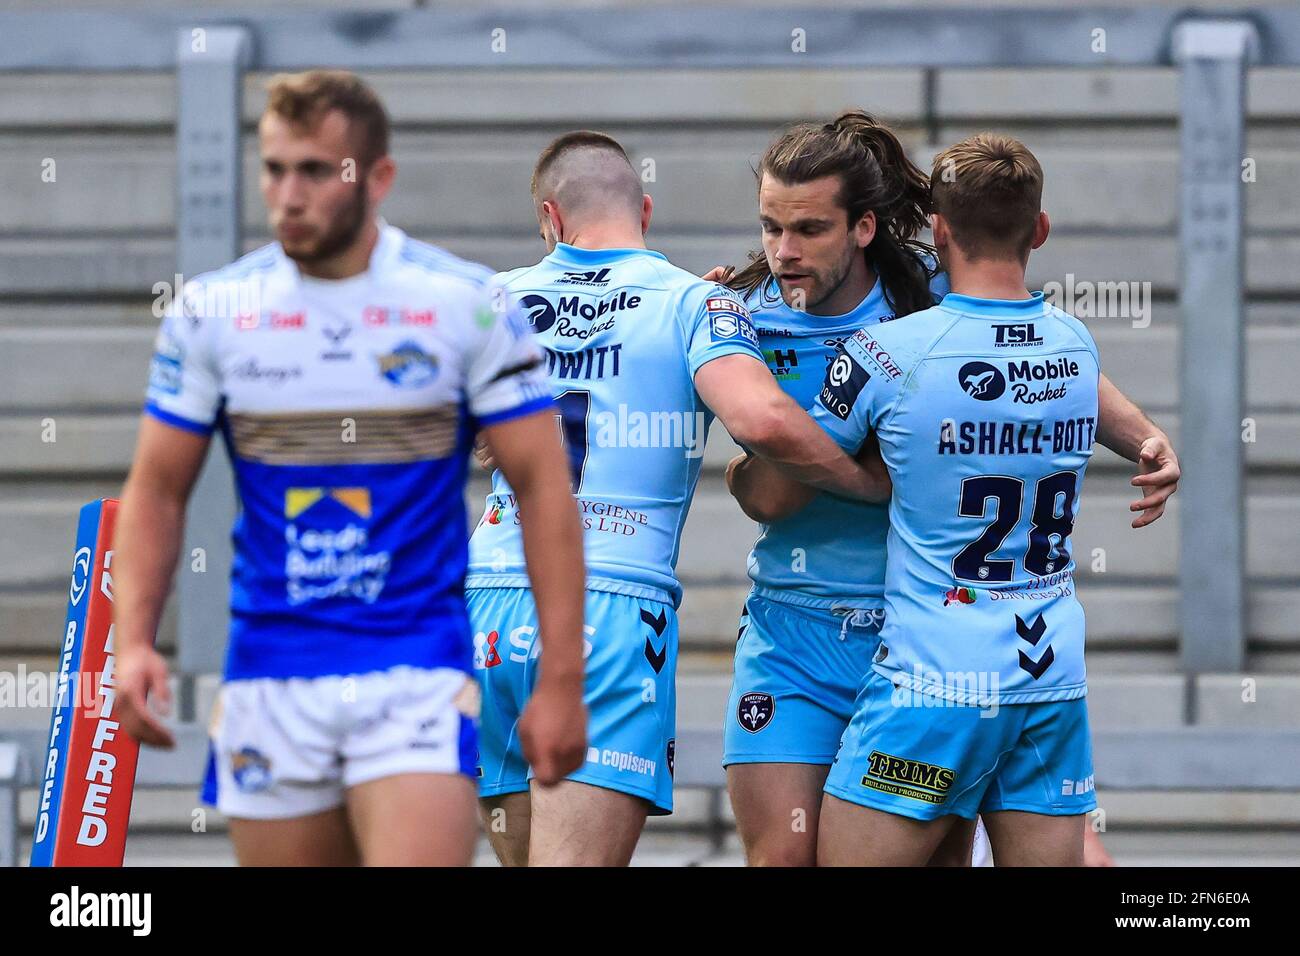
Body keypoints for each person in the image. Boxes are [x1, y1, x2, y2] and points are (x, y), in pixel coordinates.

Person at [111, 70, 586, 866]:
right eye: (274, 168)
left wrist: (562, 679)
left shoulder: (464, 305)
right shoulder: (212, 313)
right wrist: (133, 644)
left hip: (416, 670)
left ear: (378, 177)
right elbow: (157, 490)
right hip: (269, 673)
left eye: (314, 171)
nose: (288, 194)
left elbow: (543, 487)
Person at [724, 126, 1177, 866]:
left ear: (882, 228)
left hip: (924, 663)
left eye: (808, 227)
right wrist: (1151, 440)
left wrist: (808, 465)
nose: (784, 249)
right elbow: (1061, 371)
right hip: (1003, 661)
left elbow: (770, 493)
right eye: (772, 227)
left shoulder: (904, 331)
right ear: (1039, 230)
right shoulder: (1070, 339)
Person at [466, 131, 890, 866]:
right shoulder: (695, 303)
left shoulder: (494, 298)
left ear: (550, 219)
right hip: (607, 604)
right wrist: (862, 483)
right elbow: (761, 422)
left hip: (484, 600)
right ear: (646, 211)